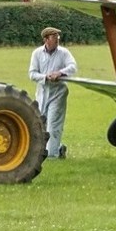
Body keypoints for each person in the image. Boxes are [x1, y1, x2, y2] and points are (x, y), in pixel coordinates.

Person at [29, 26, 77, 159]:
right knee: (40, 123)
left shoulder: (64, 52)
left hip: (58, 92)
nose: (57, 40)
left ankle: (52, 155)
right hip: (42, 92)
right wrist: (45, 77)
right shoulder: (37, 53)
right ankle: (54, 149)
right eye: (54, 37)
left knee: (54, 124)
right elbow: (32, 74)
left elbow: (73, 67)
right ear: (46, 39)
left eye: (58, 37)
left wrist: (60, 73)